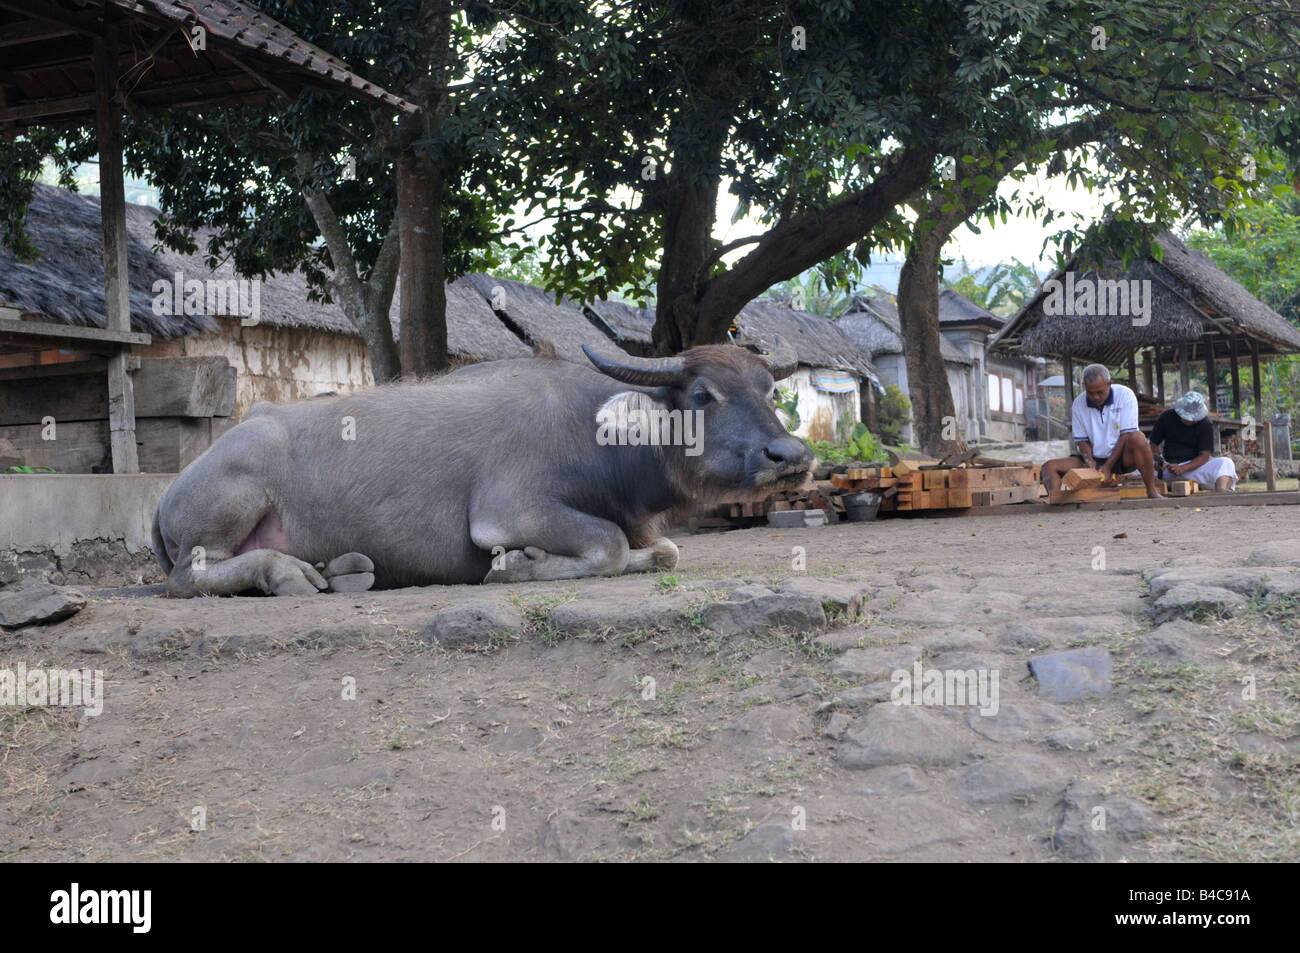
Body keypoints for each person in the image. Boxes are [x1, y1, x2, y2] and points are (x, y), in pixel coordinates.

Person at [1042, 364, 1163, 498]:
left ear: (1109, 384)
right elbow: (1082, 440)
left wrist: (1108, 466)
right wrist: (1089, 460)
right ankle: (1055, 499)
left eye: (1100, 392)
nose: (1095, 397)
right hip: (1095, 459)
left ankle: (1151, 491)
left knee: (1138, 438)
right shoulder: (1078, 404)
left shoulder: (1125, 395)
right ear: (1085, 387)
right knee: (1049, 467)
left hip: (1122, 458)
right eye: (1090, 393)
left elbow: (1126, 435)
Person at [1148, 392, 1237, 492]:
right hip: (1167, 468)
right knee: (1140, 465)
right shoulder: (1166, 417)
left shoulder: (1205, 424)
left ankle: (1222, 491)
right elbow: (1153, 444)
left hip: (1194, 468)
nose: (1191, 420)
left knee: (1226, 462)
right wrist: (1159, 461)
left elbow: (1204, 456)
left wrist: (1182, 468)